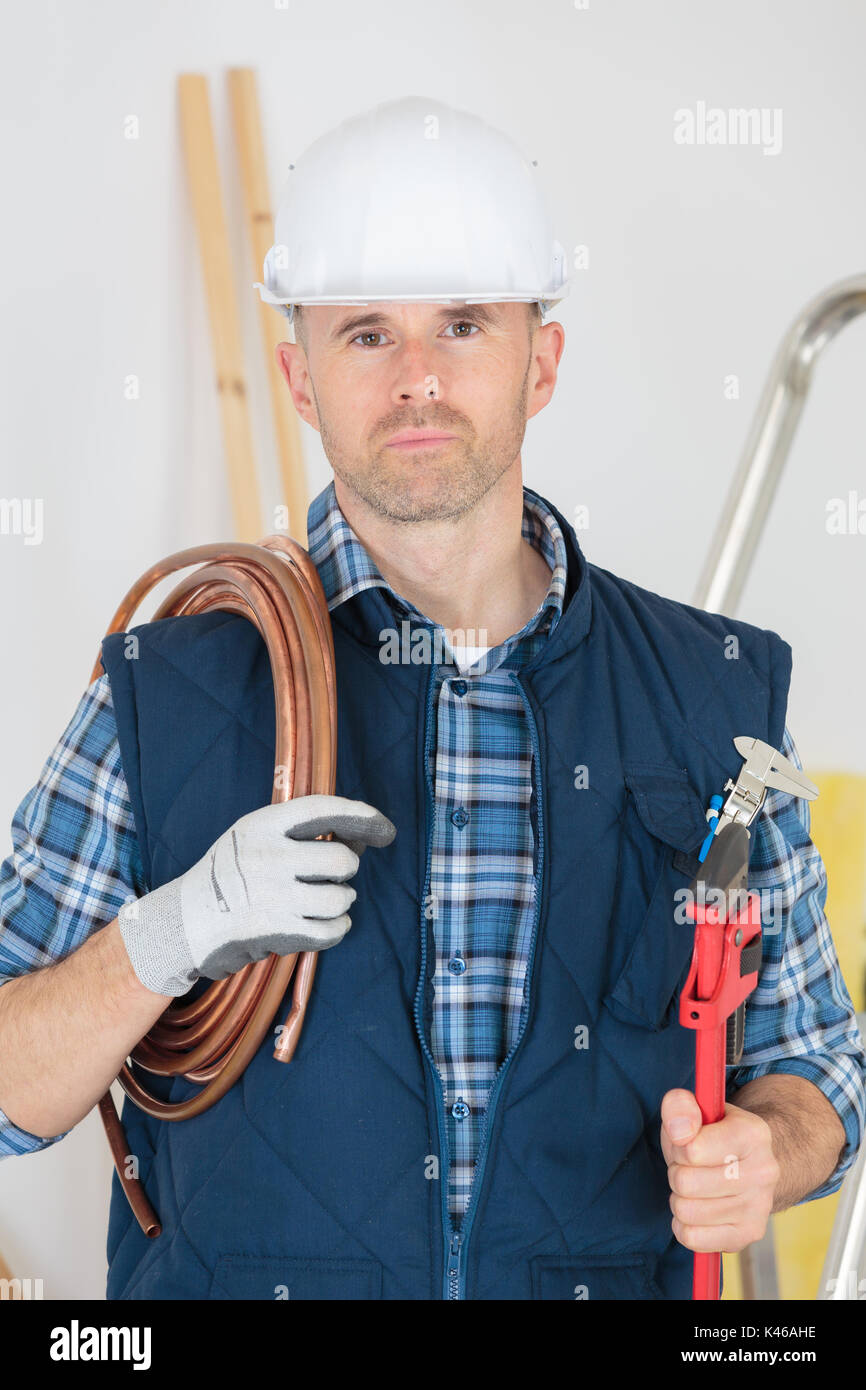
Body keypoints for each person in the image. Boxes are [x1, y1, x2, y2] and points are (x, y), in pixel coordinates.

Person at [1, 95, 864, 1302]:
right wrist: (164, 939)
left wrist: (770, 1149)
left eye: (462, 323)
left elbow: (816, 1058)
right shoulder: (167, 693)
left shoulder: (710, 694)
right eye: (364, 333)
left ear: (540, 361)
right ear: (300, 380)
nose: (415, 377)